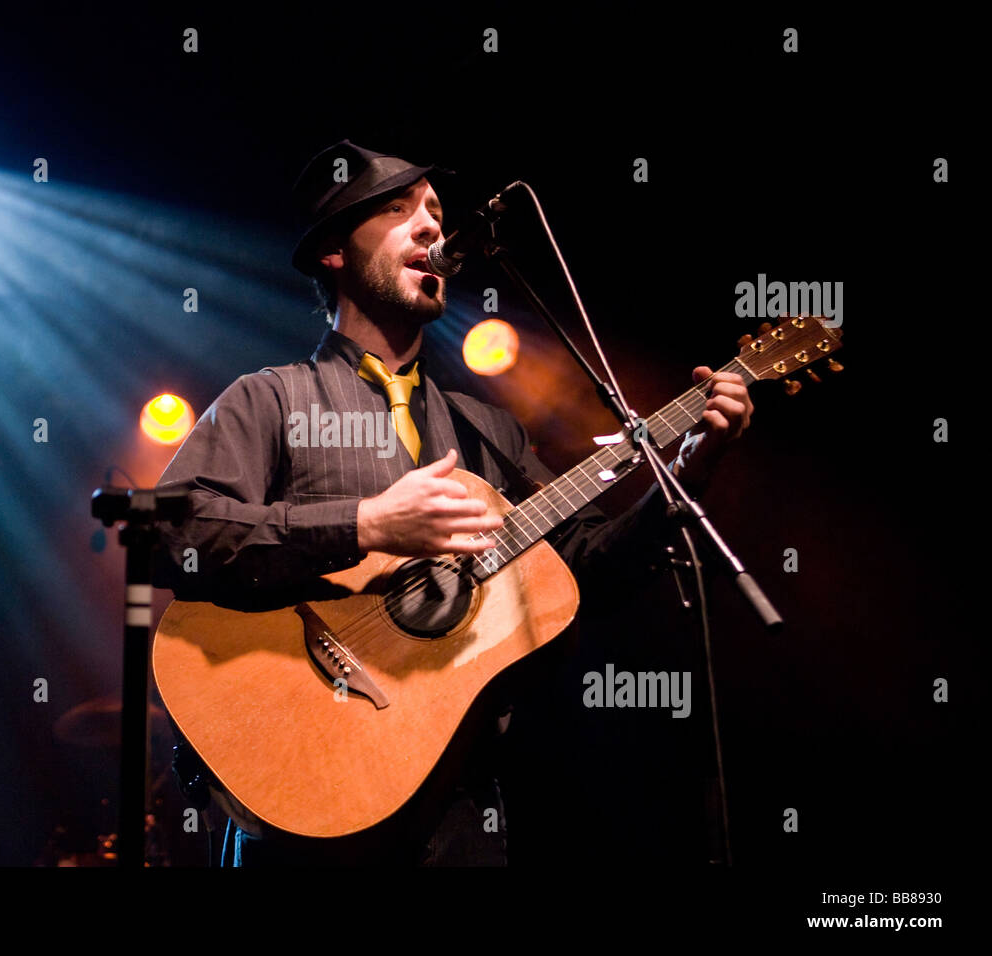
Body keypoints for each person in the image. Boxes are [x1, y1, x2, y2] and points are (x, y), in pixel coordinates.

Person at [152, 140, 753, 865]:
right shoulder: (272, 399)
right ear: (333, 253)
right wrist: (366, 524)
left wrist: (688, 471)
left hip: (458, 814)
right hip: (303, 808)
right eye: (400, 211)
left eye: (436, 212)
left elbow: (588, 572)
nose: (433, 227)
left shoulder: (487, 430)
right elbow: (171, 534)